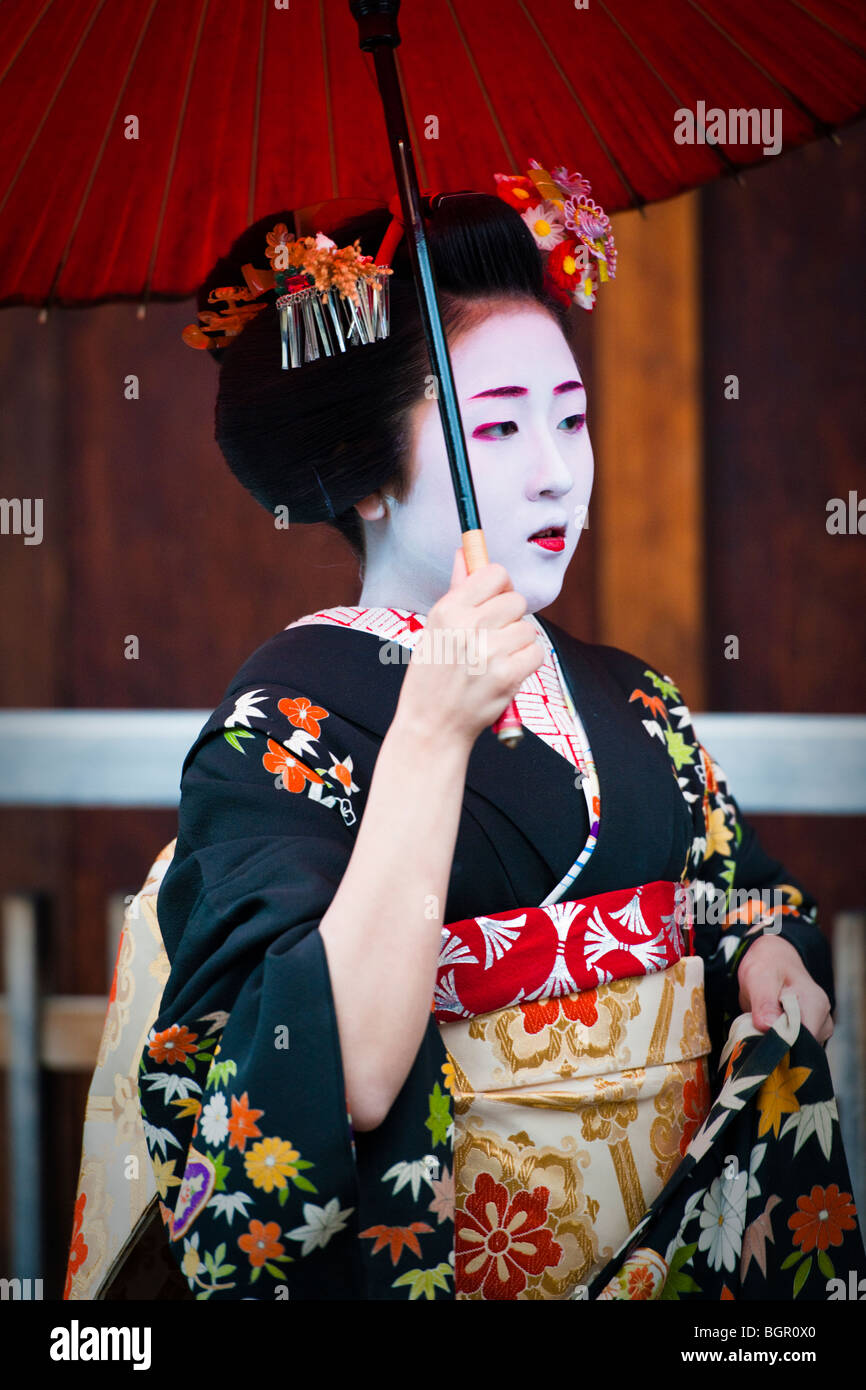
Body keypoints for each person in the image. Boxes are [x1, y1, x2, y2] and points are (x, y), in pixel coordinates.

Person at [133, 184, 863, 1301]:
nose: (555, 469)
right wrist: (427, 731)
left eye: (569, 417)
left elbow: (740, 891)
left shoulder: (632, 701)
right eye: (497, 426)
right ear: (367, 469)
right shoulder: (282, 725)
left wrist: (760, 954)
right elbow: (325, 1087)